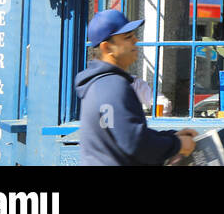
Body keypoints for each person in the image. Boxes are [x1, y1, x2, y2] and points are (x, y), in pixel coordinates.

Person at [75, 9, 197, 165]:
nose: (135, 40)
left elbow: (124, 132)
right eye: (127, 37)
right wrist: (178, 145)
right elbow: (134, 144)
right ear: (107, 48)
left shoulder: (99, 84)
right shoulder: (113, 85)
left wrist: (171, 137)